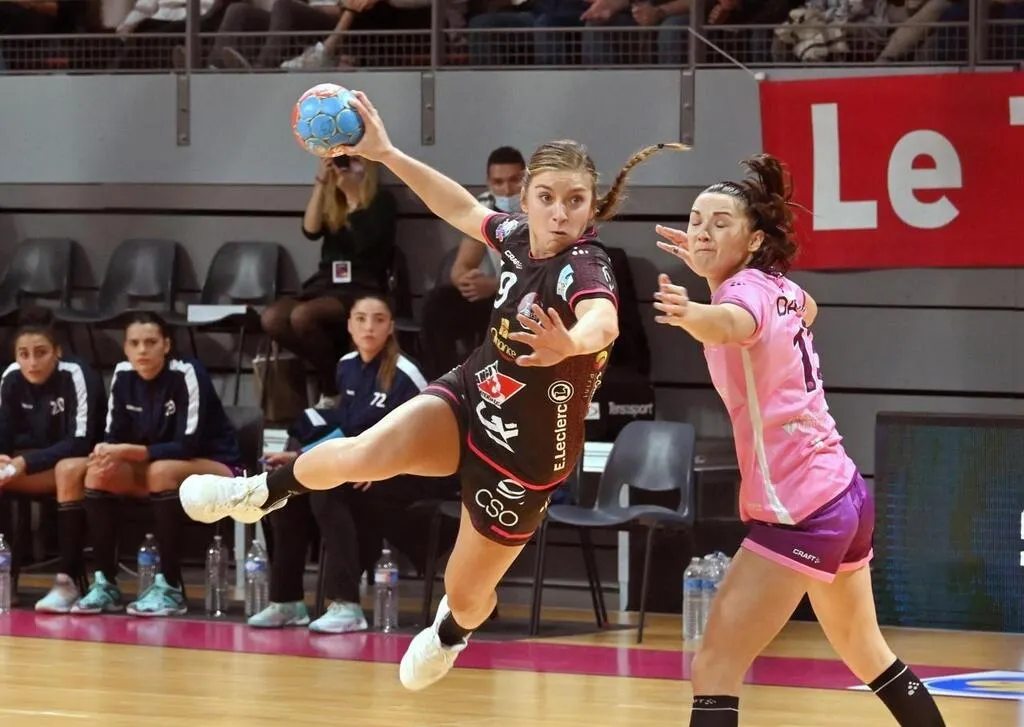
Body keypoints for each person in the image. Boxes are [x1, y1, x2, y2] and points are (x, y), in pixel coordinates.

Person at [179, 90, 687, 690]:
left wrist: (571, 345)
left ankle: (451, 634)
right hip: (473, 396)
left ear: (590, 209)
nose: (558, 213)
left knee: (467, 593)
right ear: (523, 199)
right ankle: (260, 492)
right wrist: (388, 153)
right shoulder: (519, 237)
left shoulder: (586, 264)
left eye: (574, 202)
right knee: (365, 451)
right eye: (545, 198)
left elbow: (603, 318)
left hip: (523, 462)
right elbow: (456, 207)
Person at [651, 154, 947, 727]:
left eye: (720, 223)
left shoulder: (742, 296)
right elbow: (806, 308)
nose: (702, 232)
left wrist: (694, 312)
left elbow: (732, 323)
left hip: (802, 508)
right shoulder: (777, 287)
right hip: (842, 492)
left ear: (754, 237)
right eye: (695, 221)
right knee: (868, 654)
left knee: (714, 666)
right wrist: (712, 277)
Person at [251, 294, 457, 633]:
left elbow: (427, 435)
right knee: (286, 493)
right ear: (349, 325)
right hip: (366, 466)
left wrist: (381, 468)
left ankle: (345, 604)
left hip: (414, 471)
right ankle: (286, 601)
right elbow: (346, 430)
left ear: (390, 327)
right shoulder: (346, 366)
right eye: (360, 318)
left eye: (378, 319)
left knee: (329, 492)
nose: (369, 326)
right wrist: (301, 455)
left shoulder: (408, 374)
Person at [66, 312, 243, 618]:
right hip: (154, 465)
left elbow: (186, 446)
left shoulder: (187, 372)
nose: (142, 350)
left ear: (166, 345)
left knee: (162, 471)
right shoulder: (123, 374)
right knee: (98, 473)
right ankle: (105, 583)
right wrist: (108, 454)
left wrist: (127, 451)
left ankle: (171, 587)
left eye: (150, 342)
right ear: (125, 348)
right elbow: (113, 437)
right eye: (134, 343)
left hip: (216, 464)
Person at [261, 153, 397, 408]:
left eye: (354, 161)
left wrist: (354, 197)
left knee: (303, 316)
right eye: (342, 161)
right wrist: (322, 183)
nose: (346, 168)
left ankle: (331, 388)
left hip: (363, 283)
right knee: (273, 317)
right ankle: (336, 370)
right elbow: (310, 230)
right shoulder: (334, 197)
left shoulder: (382, 201)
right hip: (327, 281)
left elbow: (367, 245)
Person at [0, 312, 106, 613]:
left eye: (41, 353)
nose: (32, 362)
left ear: (57, 352)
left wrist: (25, 461)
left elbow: (80, 441)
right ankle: (5, 579)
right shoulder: (10, 377)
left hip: (83, 461)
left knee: (65, 469)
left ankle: (68, 581)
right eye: (24, 354)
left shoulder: (76, 374)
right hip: (34, 464)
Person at [419, 145, 527, 378]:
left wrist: (495, 285)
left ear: (527, 178)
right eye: (498, 182)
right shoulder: (484, 205)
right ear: (489, 183)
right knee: (438, 305)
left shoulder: (541, 206)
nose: (507, 190)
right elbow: (461, 267)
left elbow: (546, 273)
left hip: (534, 296)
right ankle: (442, 384)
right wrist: (468, 281)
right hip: (498, 296)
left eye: (514, 181)